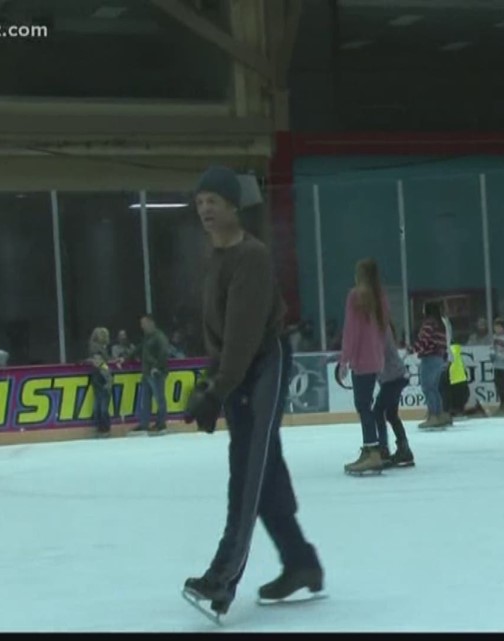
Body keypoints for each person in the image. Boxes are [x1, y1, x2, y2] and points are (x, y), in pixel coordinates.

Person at [181, 165, 323, 620]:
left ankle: (223, 577)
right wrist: (212, 385)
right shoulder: (213, 257)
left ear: (233, 208)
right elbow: (216, 335)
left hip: (263, 365)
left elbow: (242, 337)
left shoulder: (251, 256)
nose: (205, 209)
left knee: (247, 471)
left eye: (214, 202)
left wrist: (217, 390)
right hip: (239, 370)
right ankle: (300, 562)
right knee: (264, 471)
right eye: (200, 201)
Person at [337, 257, 391, 475]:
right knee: (366, 404)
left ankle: (372, 450)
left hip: (361, 359)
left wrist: (345, 359)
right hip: (376, 358)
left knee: (363, 405)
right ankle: (371, 448)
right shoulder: (381, 298)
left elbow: (352, 331)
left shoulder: (356, 297)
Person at [375, 321, 414, 468]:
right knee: (391, 414)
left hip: (393, 378)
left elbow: (378, 352)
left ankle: (383, 450)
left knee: (378, 411)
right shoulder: (383, 329)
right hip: (396, 377)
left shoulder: (380, 330)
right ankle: (404, 449)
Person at [412, 301, 449, 429]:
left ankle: (433, 415)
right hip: (439, 357)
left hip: (430, 357)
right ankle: (440, 414)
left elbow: (424, 340)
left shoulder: (429, 323)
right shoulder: (440, 324)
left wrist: (414, 349)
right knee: (434, 388)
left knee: (427, 387)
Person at [133, 315, 170, 436]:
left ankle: (161, 423)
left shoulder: (159, 337)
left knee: (159, 398)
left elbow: (164, 352)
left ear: (151, 323)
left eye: (143, 323)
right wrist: (126, 358)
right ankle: (144, 424)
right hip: (147, 372)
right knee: (146, 400)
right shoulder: (147, 338)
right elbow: (139, 349)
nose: (141, 326)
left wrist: (157, 367)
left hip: (156, 373)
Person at [88, 352, 113, 439]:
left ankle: (106, 429)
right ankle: (99, 428)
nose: (96, 361)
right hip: (97, 393)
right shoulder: (95, 367)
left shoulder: (104, 368)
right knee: (96, 410)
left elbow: (109, 379)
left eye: (98, 359)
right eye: (95, 359)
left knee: (103, 410)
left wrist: (107, 387)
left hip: (104, 393)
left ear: (102, 360)